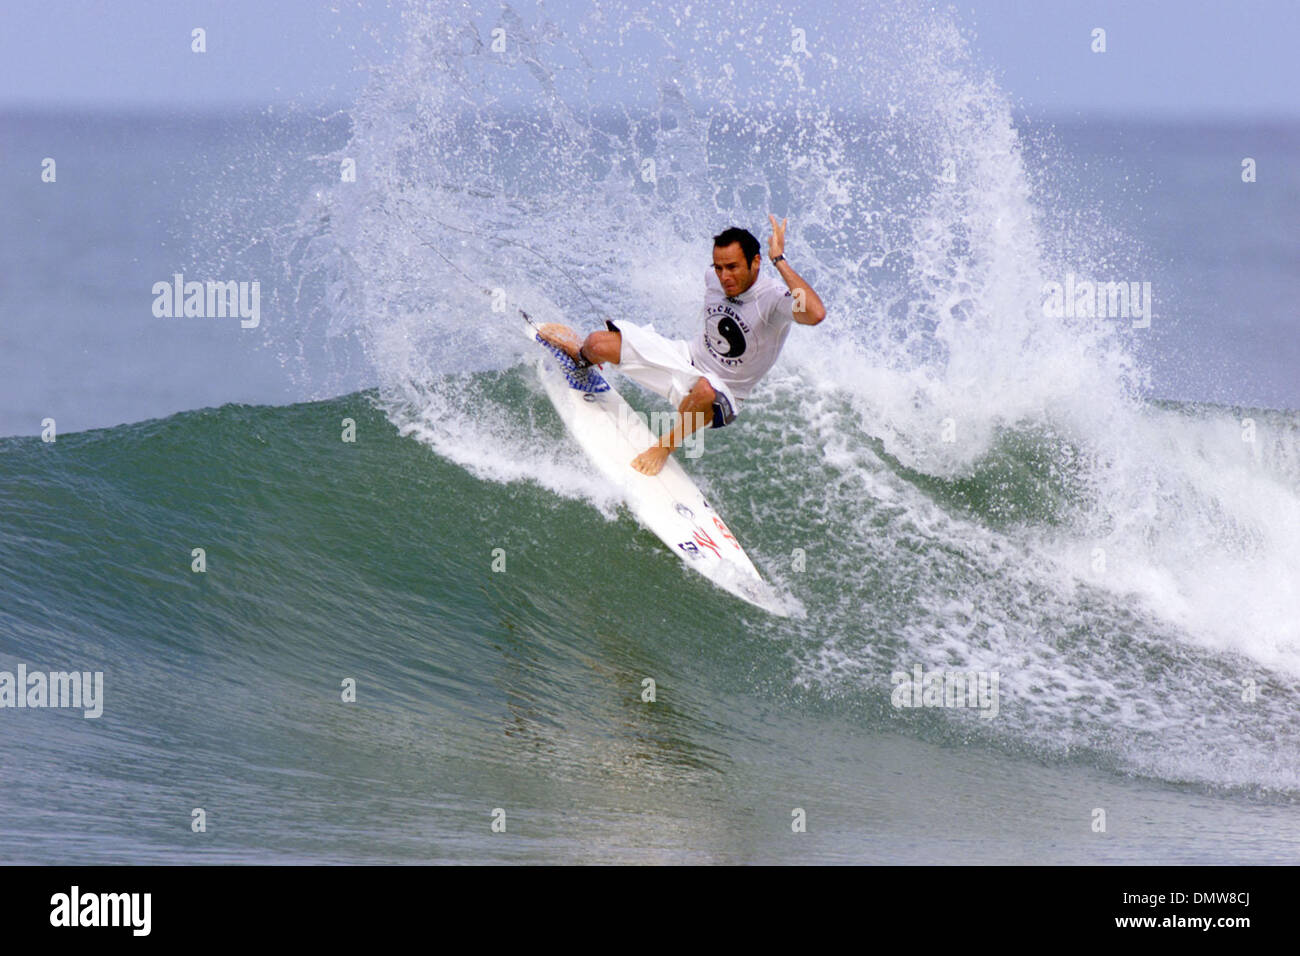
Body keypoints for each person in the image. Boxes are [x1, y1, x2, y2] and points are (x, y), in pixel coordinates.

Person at [538, 214, 826, 476]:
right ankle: (580, 355)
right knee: (598, 343)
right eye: (719, 267)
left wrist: (780, 259)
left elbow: (815, 314)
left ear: (756, 262)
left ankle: (663, 448)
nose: (725, 276)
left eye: (734, 267)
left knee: (703, 389)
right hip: (686, 359)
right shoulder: (713, 278)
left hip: (723, 395)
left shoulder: (774, 302)